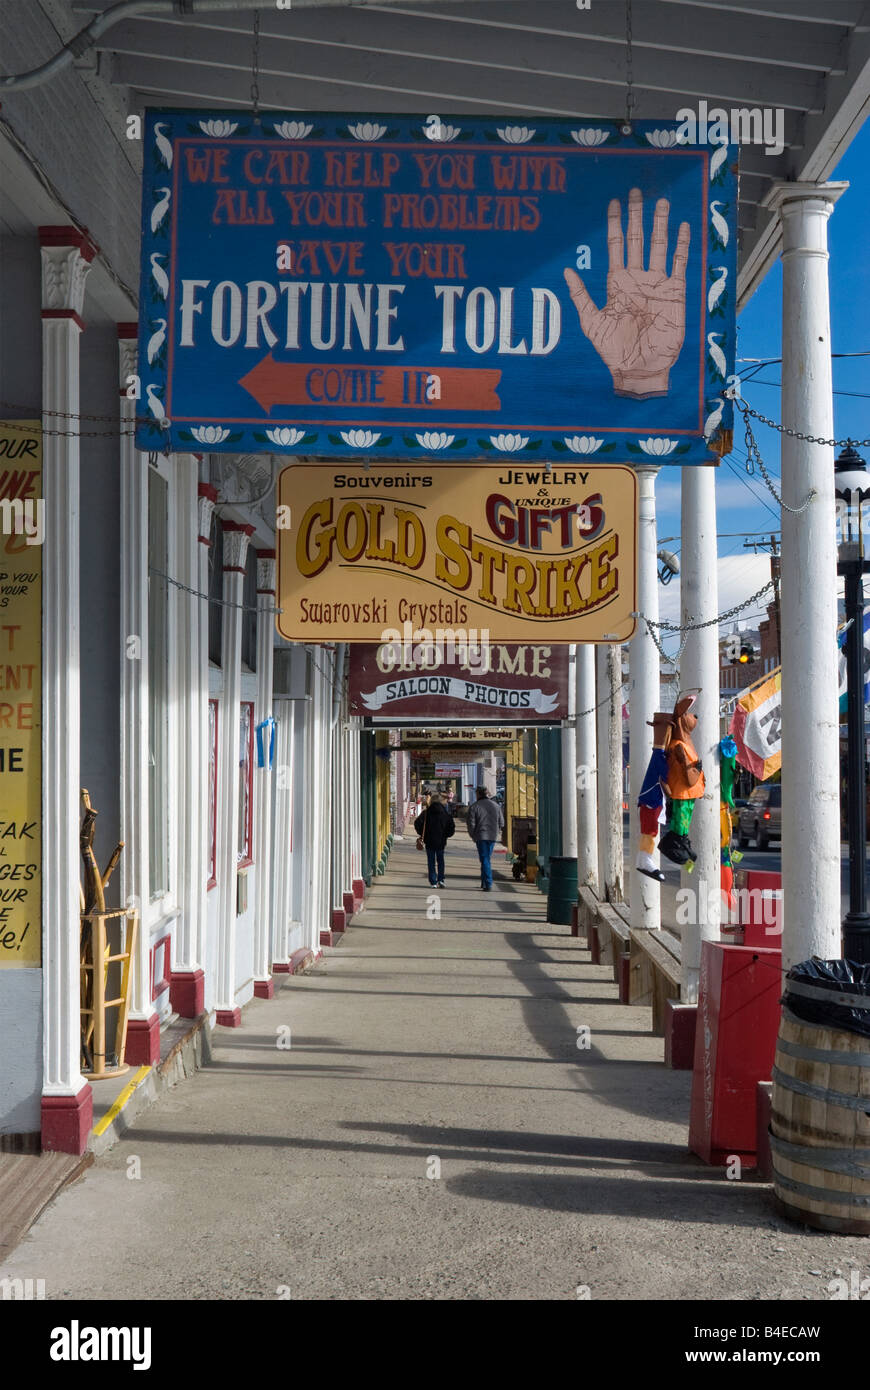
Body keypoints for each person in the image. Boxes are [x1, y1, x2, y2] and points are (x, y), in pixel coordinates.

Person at [414, 791, 454, 888]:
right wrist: (446, 835)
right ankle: (441, 880)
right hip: (441, 842)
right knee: (441, 860)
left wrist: (422, 834)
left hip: (429, 841)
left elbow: (417, 823)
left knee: (431, 861)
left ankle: (433, 882)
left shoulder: (426, 813)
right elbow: (451, 827)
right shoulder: (445, 814)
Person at [466, 786, 504, 891]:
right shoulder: (496, 806)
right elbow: (502, 822)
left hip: (481, 836)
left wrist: (472, 835)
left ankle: (488, 883)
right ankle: (484, 882)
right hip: (492, 836)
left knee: (485, 859)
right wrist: (497, 830)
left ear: (478, 794)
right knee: (485, 858)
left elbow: (471, 824)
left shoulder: (474, 807)